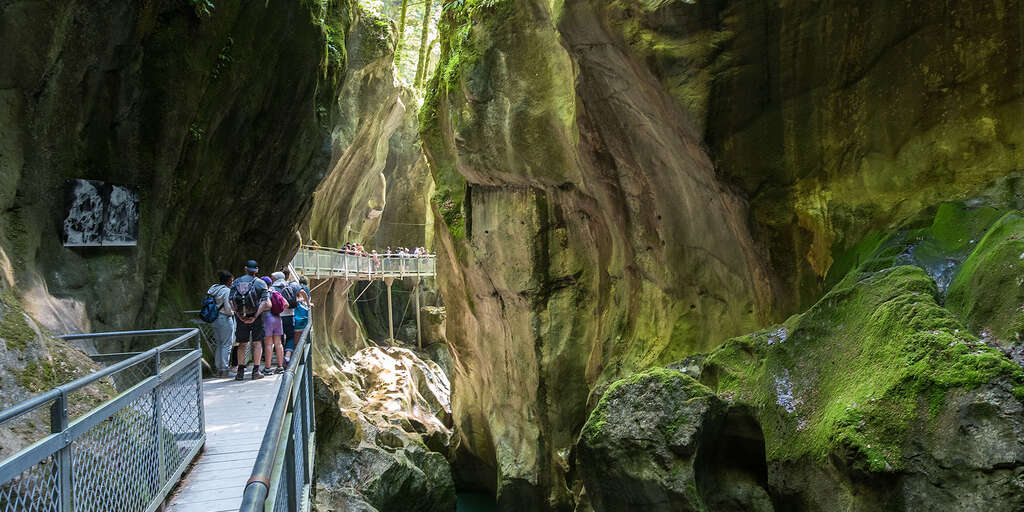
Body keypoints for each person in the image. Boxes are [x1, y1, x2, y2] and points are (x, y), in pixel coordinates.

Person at [231, 260, 270, 380]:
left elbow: (231, 300)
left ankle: (240, 373)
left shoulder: (236, 282)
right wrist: (255, 316)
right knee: (257, 343)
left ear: (245, 269)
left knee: (242, 344)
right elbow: (265, 303)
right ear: (256, 271)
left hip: (241, 317)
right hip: (256, 318)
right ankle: (255, 372)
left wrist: (239, 315)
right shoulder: (261, 283)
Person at [272, 271, 308, 371]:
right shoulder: (290, 285)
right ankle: (287, 357)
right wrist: (308, 304)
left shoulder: (273, 287)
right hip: (290, 315)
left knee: (278, 338)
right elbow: (303, 292)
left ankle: (277, 360)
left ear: (275, 278)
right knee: (290, 337)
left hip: (277, 316)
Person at [207, 270, 235, 378]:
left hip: (214, 318)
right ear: (228, 281)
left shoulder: (213, 288)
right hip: (224, 318)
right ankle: (224, 368)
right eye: (231, 281)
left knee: (219, 343)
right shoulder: (226, 291)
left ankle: (218, 368)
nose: (232, 283)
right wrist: (233, 313)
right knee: (226, 344)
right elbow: (228, 308)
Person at [260, 276, 286, 374]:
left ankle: (268, 368)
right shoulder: (276, 293)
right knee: (278, 343)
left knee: (268, 344)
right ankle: (280, 367)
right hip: (278, 318)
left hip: (267, 319)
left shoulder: (264, 293)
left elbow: (265, 304)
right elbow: (286, 304)